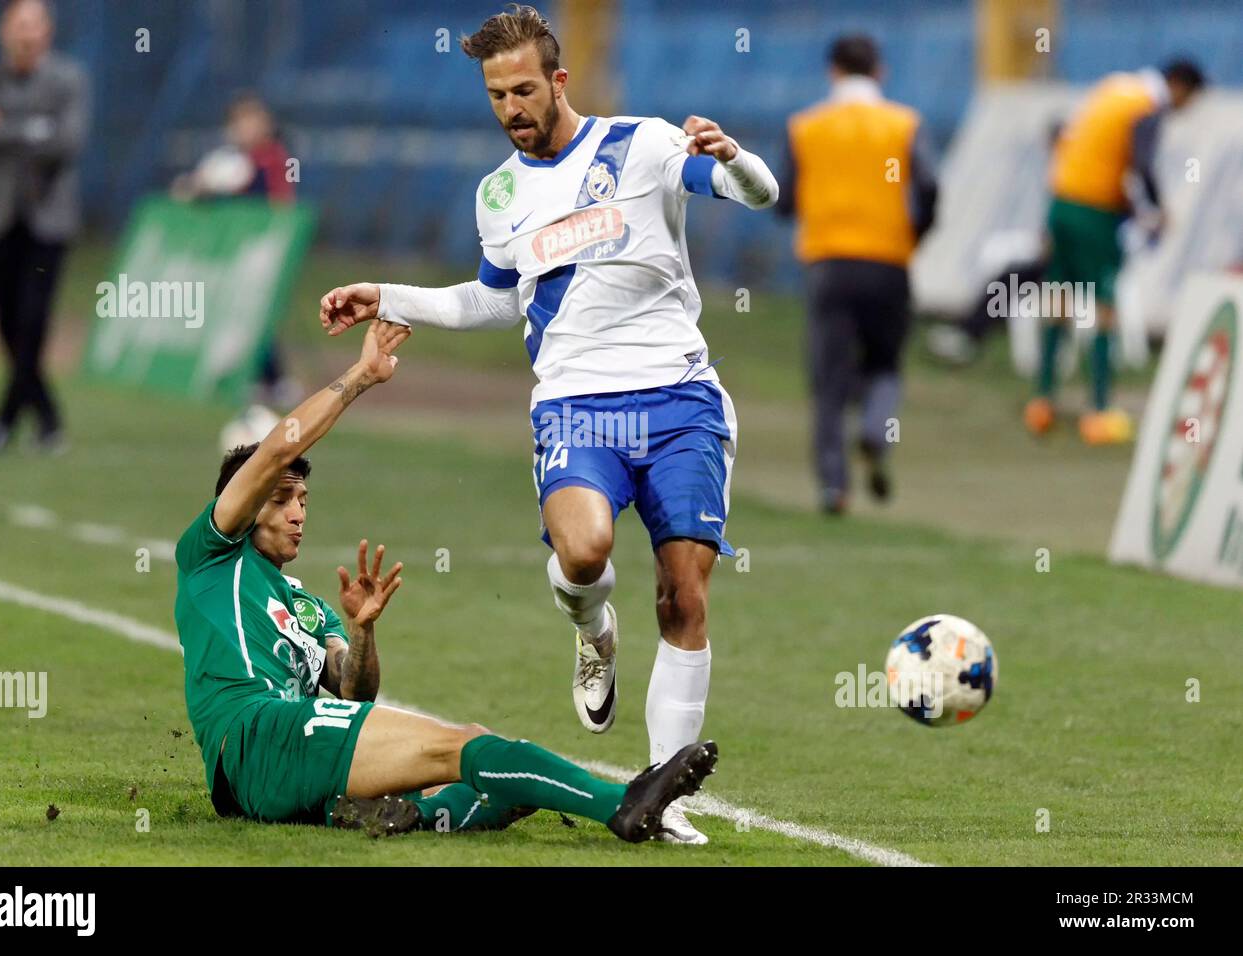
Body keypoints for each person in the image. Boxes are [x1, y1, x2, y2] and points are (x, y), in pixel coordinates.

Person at [318, 4, 776, 845]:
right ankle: (592, 627)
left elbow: (761, 194)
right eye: (496, 95)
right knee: (584, 552)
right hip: (576, 404)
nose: (510, 109)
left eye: (523, 89)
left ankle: (661, 802)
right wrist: (385, 294)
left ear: (559, 80)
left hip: (679, 399)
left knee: (684, 597)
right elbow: (491, 299)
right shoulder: (499, 194)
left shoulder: (640, 146)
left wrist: (735, 156)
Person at [174, 316, 718, 842]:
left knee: (494, 761)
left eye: (304, 501)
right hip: (253, 736)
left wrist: (361, 633)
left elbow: (352, 690)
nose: (298, 514)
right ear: (241, 508)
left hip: (291, 753)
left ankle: (397, 814)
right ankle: (622, 802)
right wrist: (360, 376)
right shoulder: (212, 551)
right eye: (280, 499)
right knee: (460, 749)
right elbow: (279, 448)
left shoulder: (305, 605)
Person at [775, 34, 938, 514]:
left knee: (828, 380)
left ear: (833, 72)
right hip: (889, 261)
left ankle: (834, 485)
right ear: (880, 72)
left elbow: (783, 201)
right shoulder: (904, 125)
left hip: (828, 263)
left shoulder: (805, 127)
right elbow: (930, 187)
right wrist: (914, 234)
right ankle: (873, 428)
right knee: (885, 364)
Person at [1025, 59, 1205, 445]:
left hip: (1061, 201)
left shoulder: (1113, 88)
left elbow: (1068, 138)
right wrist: (1157, 208)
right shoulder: (1146, 105)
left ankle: (1042, 402)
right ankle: (1099, 411)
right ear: (1179, 85)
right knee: (1104, 308)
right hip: (1094, 211)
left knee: (1058, 300)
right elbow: (1142, 162)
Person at [0, 0, 89, 452]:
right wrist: (32, 129)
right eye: (19, 24)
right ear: (4, 31)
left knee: (33, 323)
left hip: (47, 221)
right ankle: (46, 418)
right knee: (7, 327)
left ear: (47, 31)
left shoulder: (68, 80)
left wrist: (7, 128)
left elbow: (66, 142)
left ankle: (6, 421)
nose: (26, 33)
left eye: (34, 24)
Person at [171, 92, 301, 406]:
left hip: (260, 252)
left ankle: (274, 380)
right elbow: (202, 190)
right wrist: (195, 188)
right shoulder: (228, 159)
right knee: (236, 313)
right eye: (239, 123)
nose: (246, 129)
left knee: (257, 317)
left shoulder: (272, 158)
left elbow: (280, 203)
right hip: (232, 253)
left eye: (252, 121)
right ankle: (251, 377)